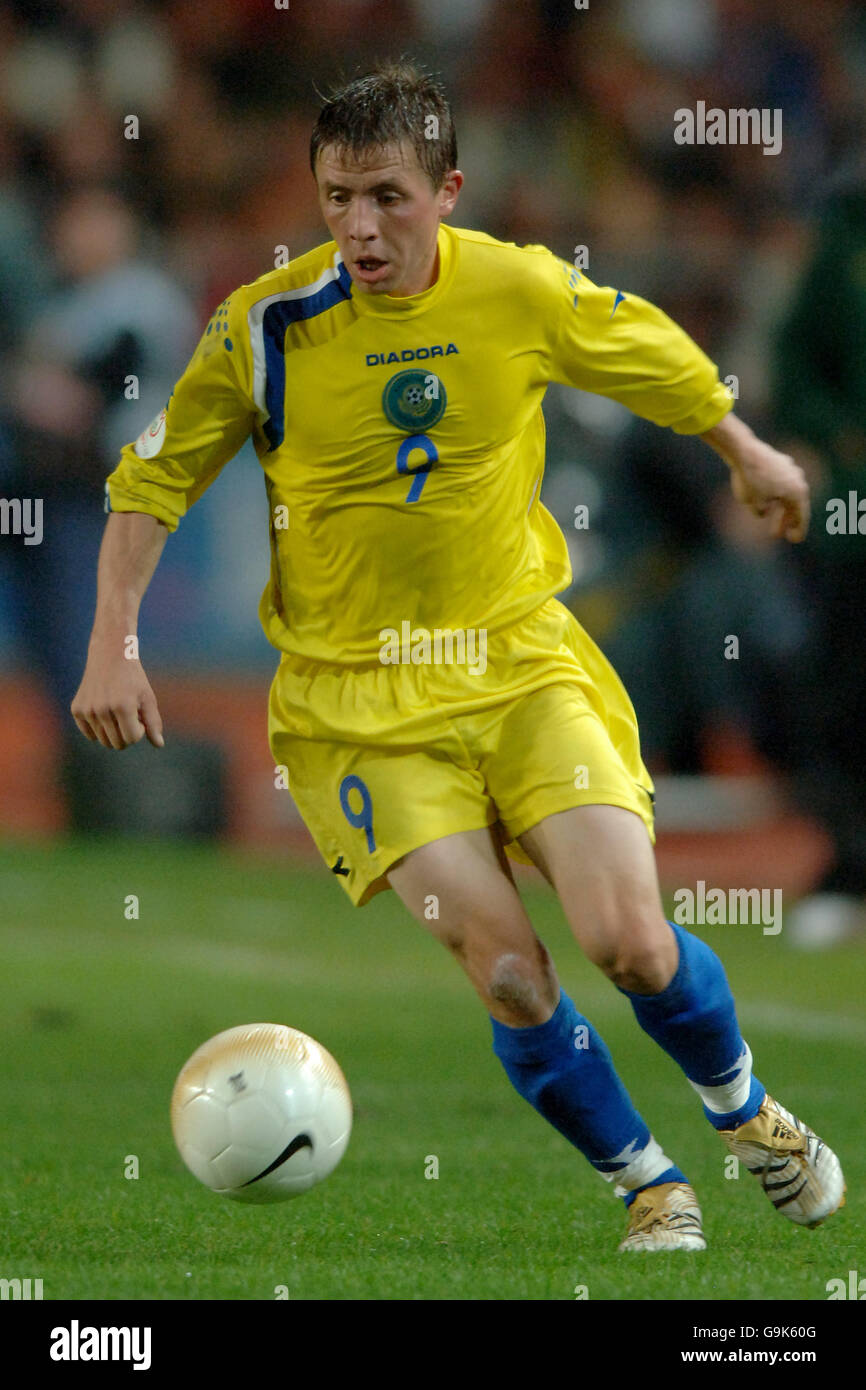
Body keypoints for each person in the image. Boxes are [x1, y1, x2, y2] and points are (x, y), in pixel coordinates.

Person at [71, 62, 844, 1252]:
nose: (358, 228)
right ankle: (645, 1182)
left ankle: (744, 1116)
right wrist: (113, 644)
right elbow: (152, 480)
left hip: (522, 664)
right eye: (335, 198)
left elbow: (645, 354)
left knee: (631, 942)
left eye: (384, 196)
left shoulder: (518, 289)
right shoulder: (265, 324)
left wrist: (746, 450)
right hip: (358, 710)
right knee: (510, 973)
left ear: (448, 190)